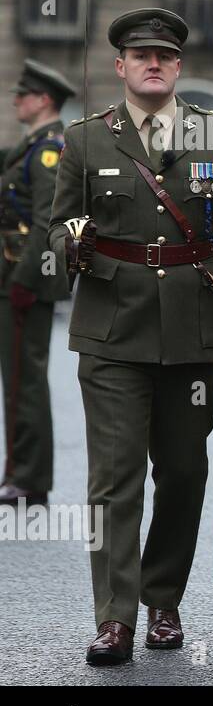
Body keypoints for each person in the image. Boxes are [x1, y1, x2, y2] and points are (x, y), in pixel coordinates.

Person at [47, 8, 213, 665]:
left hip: (193, 329)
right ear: (119, 66)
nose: (153, 63)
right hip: (112, 328)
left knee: (183, 471)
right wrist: (72, 244)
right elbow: (57, 227)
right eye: (141, 55)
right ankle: (115, 617)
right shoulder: (86, 139)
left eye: (165, 56)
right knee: (114, 478)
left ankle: (163, 597)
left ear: (178, 68)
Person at [0, 60, 77, 506]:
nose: (15, 101)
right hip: (15, 280)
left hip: (22, 282)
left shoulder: (48, 150)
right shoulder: (31, 146)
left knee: (24, 381)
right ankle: (22, 473)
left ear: (43, 100)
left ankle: (28, 478)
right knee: (18, 380)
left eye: (22, 95)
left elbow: (50, 219)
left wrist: (27, 281)